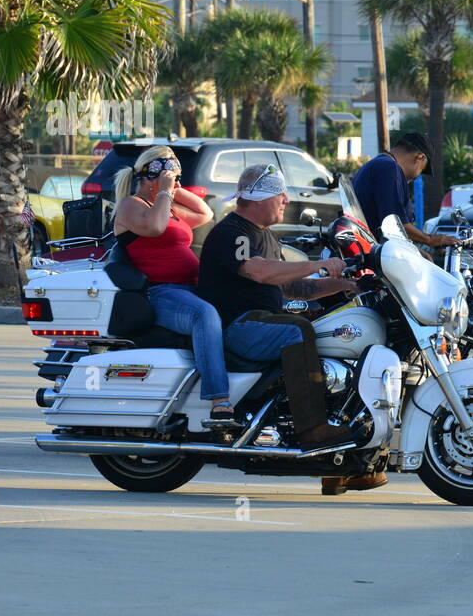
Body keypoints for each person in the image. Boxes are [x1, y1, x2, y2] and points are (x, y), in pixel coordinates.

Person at [197, 165, 379, 491]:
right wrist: (317, 263)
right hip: (239, 325)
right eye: (279, 194)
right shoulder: (234, 233)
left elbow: (297, 289)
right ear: (259, 198)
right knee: (297, 330)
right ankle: (313, 429)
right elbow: (259, 272)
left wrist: (349, 285)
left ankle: (340, 461)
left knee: (326, 330)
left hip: (261, 321)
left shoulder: (264, 236)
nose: (285, 200)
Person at [112, 146, 235, 427]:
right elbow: (155, 228)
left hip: (191, 289)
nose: (176, 182)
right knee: (204, 315)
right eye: (170, 176)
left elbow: (204, 214)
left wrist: (173, 188)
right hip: (161, 292)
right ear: (150, 177)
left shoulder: (167, 205)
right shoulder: (131, 205)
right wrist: (166, 191)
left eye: (177, 177)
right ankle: (219, 400)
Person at [352, 133, 461, 248]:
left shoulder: (376, 164)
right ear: (420, 158)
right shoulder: (389, 168)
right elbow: (394, 224)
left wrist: (418, 252)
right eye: (422, 170)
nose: (416, 177)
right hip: (371, 254)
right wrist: (430, 239)